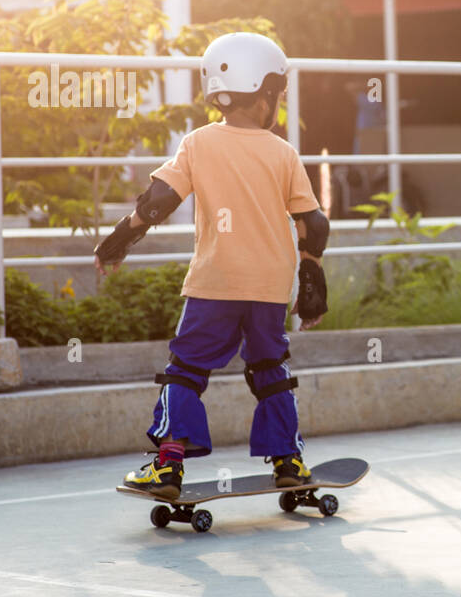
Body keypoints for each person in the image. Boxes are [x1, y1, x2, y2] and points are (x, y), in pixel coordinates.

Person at [93, 32, 329, 500]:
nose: (277, 104)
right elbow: (313, 225)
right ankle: (288, 460)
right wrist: (311, 283)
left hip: (215, 283)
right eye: (276, 95)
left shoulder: (198, 143)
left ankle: (168, 465)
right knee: (270, 368)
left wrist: (117, 241)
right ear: (264, 95)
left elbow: (158, 201)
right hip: (268, 288)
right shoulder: (284, 154)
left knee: (186, 370)